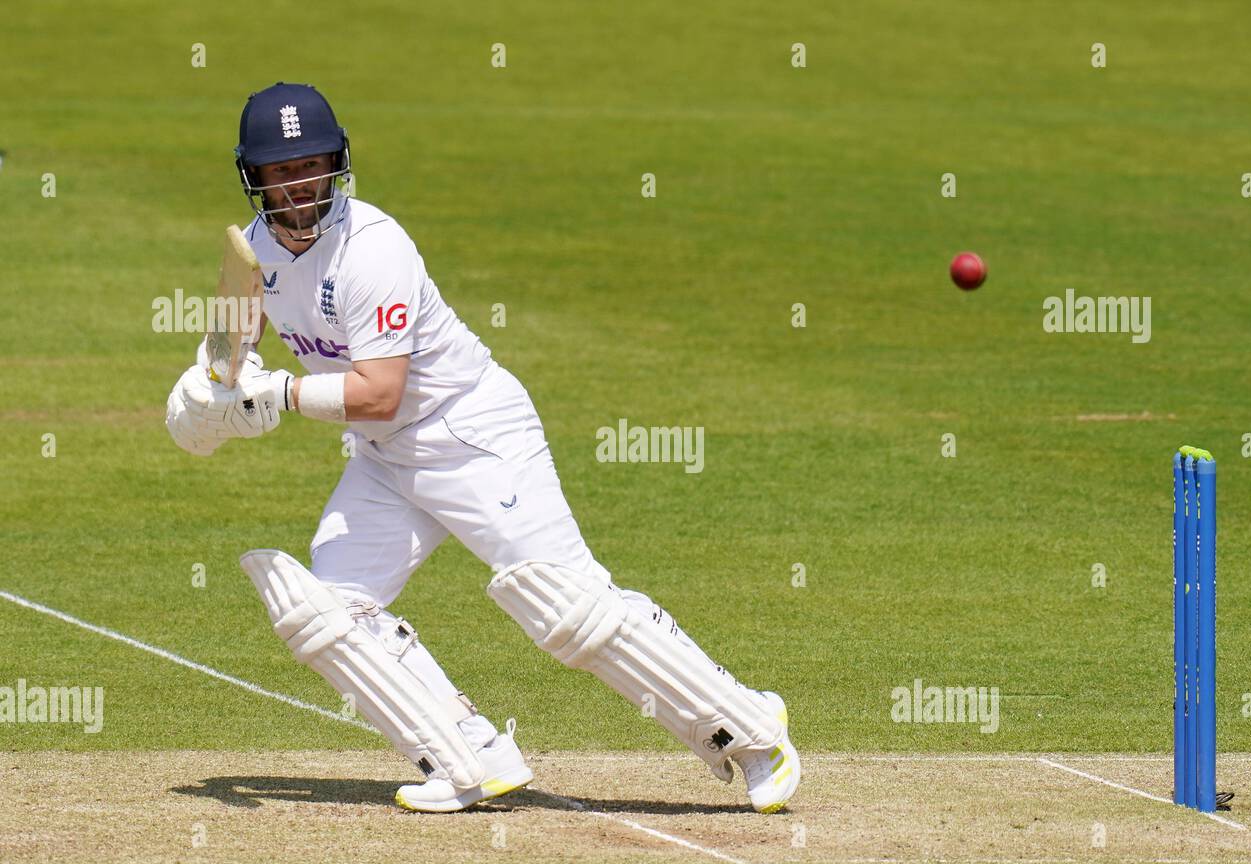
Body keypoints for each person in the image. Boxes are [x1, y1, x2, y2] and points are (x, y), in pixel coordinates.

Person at [165, 82, 800, 813]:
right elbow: (227, 357)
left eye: (312, 166)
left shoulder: (373, 248)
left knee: (567, 609)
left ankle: (752, 729)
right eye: (282, 172)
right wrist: (198, 405)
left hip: (471, 432)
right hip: (383, 457)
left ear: (337, 162)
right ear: (256, 178)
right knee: (328, 610)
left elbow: (380, 391)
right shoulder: (253, 253)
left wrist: (275, 396)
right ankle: (467, 755)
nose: (300, 186)